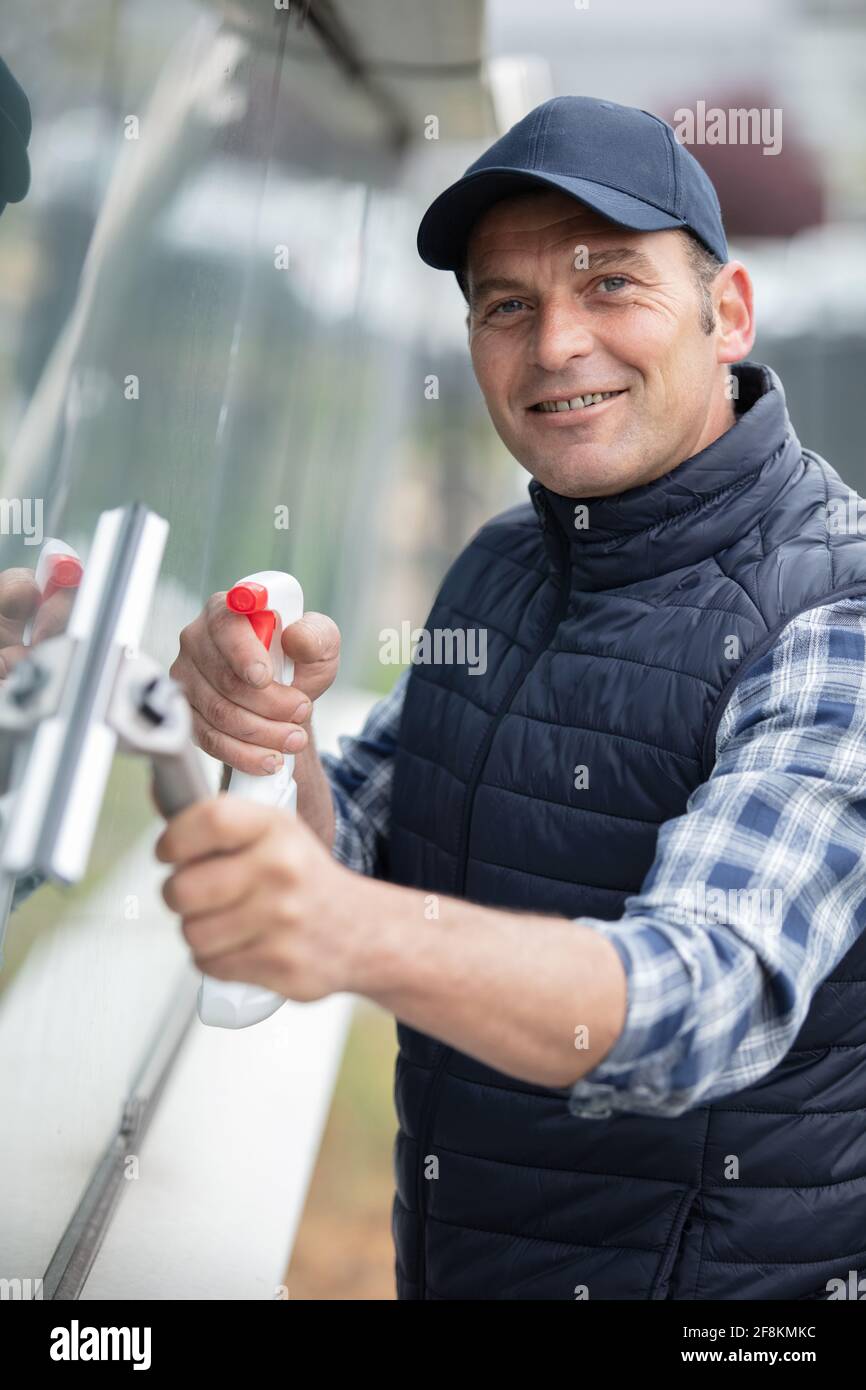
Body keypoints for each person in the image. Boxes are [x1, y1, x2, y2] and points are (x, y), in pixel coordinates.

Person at [163, 96, 866, 1301]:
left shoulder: (834, 610)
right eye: (507, 304)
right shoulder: (501, 563)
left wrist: (348, 933)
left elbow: (699, 999)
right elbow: (362, 854)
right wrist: (272, 741)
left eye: (609, 285)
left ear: (726, 315)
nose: (552, 346)